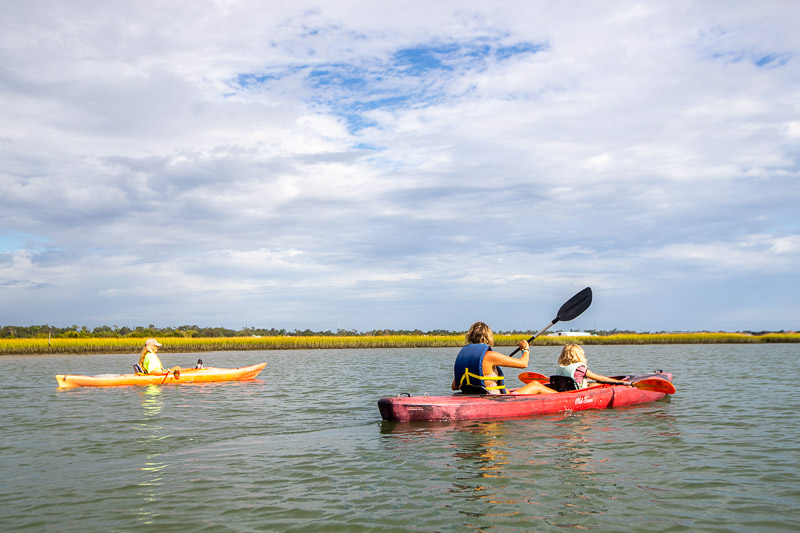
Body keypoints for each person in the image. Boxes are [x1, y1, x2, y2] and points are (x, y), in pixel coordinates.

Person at [452, 321, 556, 395]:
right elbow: (523, 363)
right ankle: (567, 398)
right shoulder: (490, 356)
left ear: (470, 337)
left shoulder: (464, 356)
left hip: (472, 395)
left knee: (507, 389)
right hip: (493, 397)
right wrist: (525, 349)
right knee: (536, 385)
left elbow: (454, 386)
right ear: (488, 337)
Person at [555, 343, 626, 389]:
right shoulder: (580, 369)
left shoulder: (560, 368)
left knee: (590, 382)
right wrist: (623, 383)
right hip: (578, 393)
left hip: (566, 390)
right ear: (579, 355)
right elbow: (601, 379)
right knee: (598, 383)